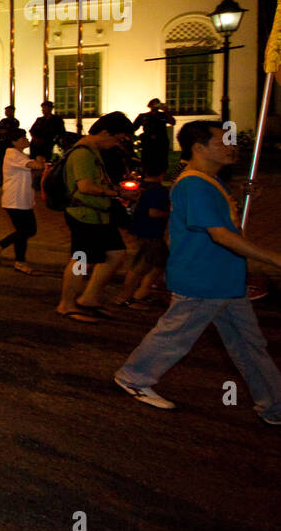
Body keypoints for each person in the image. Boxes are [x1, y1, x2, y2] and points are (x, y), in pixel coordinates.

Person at [114, 121, 281, 424]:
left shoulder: (210, 182)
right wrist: (273, 258)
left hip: (224, 277)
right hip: (203, 278)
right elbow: (220, 234)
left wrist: (245, 201)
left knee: (249, 345)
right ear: (199, 148)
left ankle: (273, 405)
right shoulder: (194, 184)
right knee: (175, 335)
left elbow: (226, 225)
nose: (231, 148)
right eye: (222, 142)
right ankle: (134, 377)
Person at [54, 111, 137, 322]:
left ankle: (89, 298)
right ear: (105, 132)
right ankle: (67, 304)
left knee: (116, 253)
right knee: (81, 260)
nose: (118, 144)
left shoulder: (93, 151)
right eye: (118, 139)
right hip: (83, 215)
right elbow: (85, 186)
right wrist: (118, 193)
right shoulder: (83, 153)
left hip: (98, 214)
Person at [0, 129, 44, 274]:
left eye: (25, 137)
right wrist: (39, 157)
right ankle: (19, 262)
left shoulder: (21, 155)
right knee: (25, 231)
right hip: (14, 201)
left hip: (23, 200)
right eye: (22, 138)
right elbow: (37, 165)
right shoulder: (12, 154)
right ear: (13, 142)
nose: (26, 140)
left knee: (28, 230)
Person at [113, 168, 170, 310]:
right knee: (141, 266)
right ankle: (124, 298)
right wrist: (172, 213)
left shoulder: (141, 187)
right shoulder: (159, 190)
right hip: (150, 232)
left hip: (141, 229)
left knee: (159, 262)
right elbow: (154, 212)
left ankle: (142, 292)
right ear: (163, 171)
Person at [134, 98, 176, 178]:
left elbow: (172, 122)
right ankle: (146, 175)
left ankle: (160, 176)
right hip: (148, 142)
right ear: (150, 105)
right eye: (154, 104)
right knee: (147, 160)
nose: (155, 106)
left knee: (161, 160)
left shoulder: (163, 115)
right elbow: (134, 127)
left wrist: (166, 111)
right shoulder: (143, 116)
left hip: (161, 142)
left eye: (157, 104)